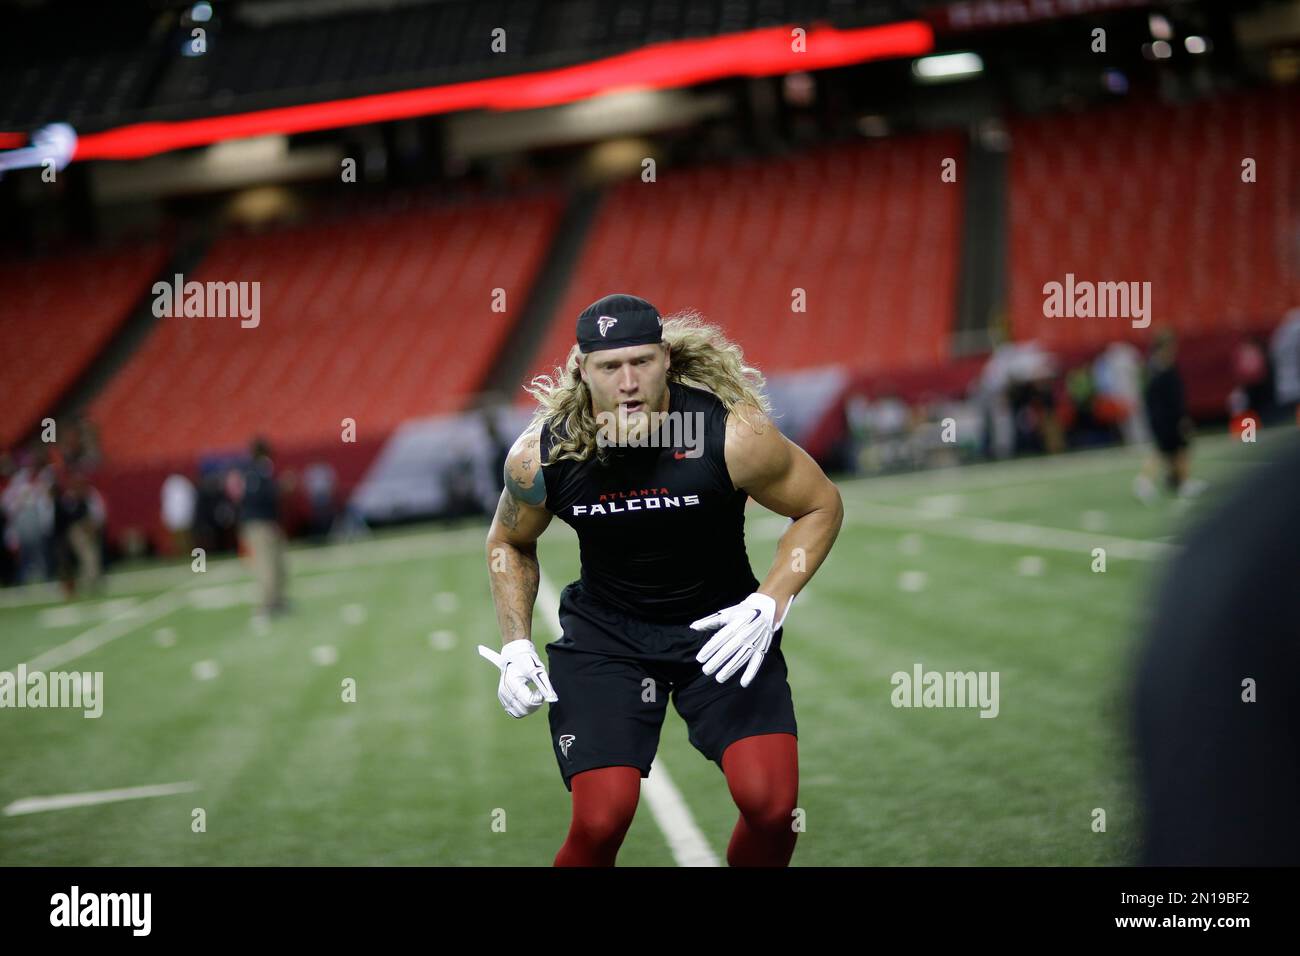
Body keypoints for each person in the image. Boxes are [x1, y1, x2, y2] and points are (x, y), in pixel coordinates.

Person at [481, 294, 844, 867]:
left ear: (666, 358)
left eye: (642, 362)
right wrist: (516, 644)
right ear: (582, 369)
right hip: (608, 640)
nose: (628, 382)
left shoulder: (732, 436)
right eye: (609, 367)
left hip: (723, 630)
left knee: (771, 806)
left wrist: (769, 602)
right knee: (602, 820)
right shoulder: (541, 456)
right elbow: (508, 541)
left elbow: (820, 506)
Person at [1133, 330, 1203, 502]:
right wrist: (1180, 417)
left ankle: (1178, 481)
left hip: (1164, 416)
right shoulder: (1158, 368)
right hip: (1165, 417)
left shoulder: (1159, 366)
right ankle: (1150, 481)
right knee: (1171, 450)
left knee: (1173, 450)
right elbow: (1164, 397)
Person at [237, 437, 288, 617]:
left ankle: (278, 601)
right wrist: (279, 489)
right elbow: (256, 498)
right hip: (258, 525)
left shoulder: (261, 471)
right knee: (265, 566)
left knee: (277, 565)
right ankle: (266, 606)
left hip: (267, 523)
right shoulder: (254, 473)